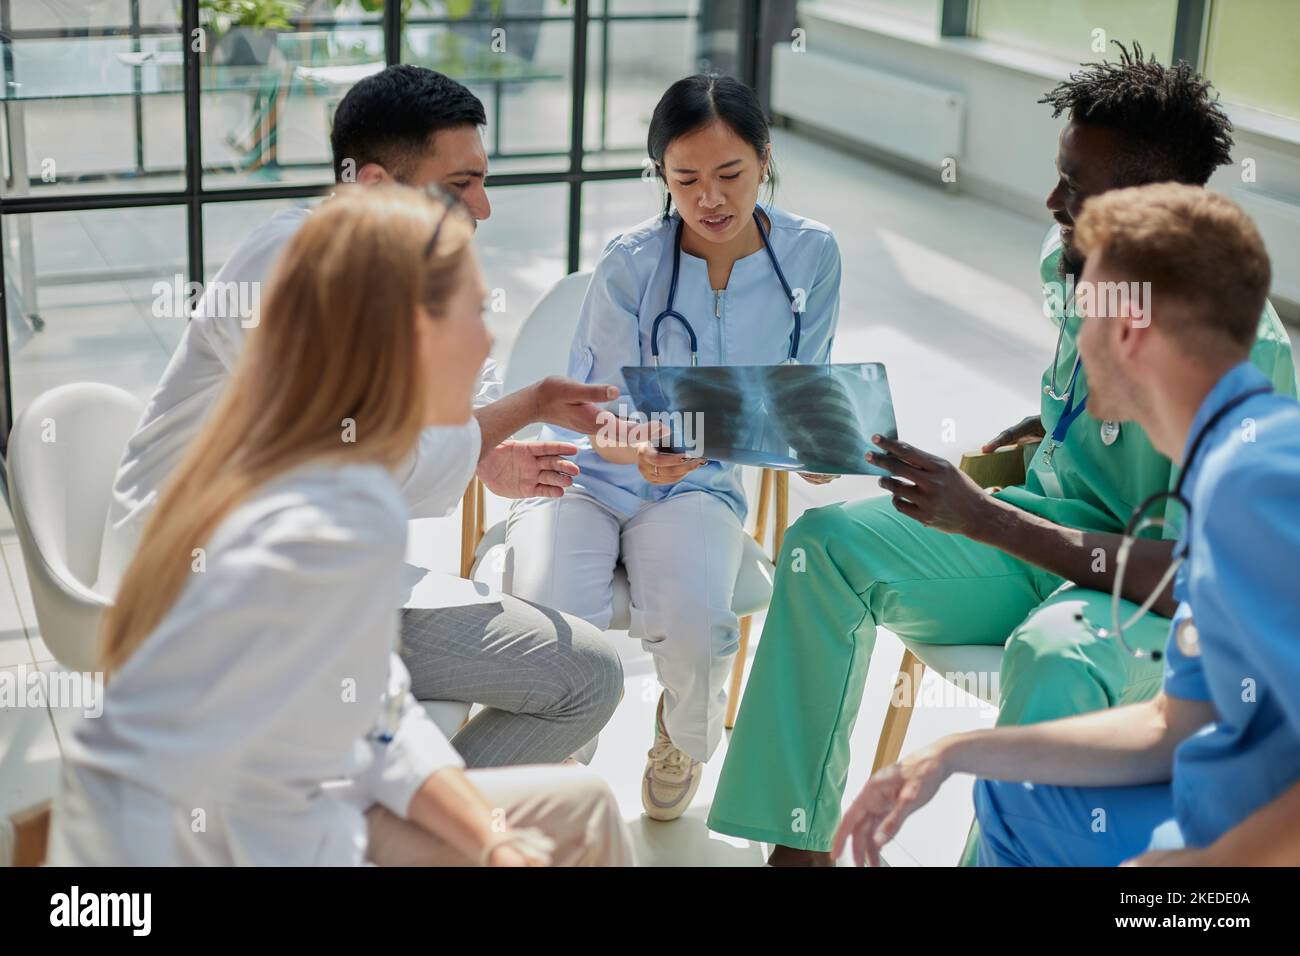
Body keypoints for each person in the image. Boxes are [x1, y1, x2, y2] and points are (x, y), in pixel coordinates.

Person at [708, 41, 1296, 864]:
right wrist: (1028, 440)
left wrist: (986, 519)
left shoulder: (1251, 367)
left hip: (1135, 596)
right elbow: (1089, 406)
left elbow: (1189, 579)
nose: (1053, 199)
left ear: (1147, 205)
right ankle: (796, 845)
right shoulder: (1075, 259)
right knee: (824, 545)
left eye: (1077, 189)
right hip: (1043, 525)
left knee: (1052, 656)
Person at [47, 186, 635, 867]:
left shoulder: (347, 495)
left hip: (308, 818)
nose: (489, 337)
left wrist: (491, 841)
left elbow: (376, 717)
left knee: (586, 805)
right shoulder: (299, 535)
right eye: (472, 312)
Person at [104, 65, 624, 769]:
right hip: (212, 597)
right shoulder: (289, 270)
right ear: (377, 185)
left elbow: (450, 405)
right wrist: (522, 410)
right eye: (459, 186)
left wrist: (490, 449)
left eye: (482, 180)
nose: (485, 208)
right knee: (581, 681)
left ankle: (411, 838)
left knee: (585, 675)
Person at [835, 184, 1300, 867]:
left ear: (1130, 330)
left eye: (1083, 315)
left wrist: (1201, 874)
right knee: (1011, 795)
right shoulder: (1218, 466)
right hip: (1210, 805)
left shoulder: (1256, 480)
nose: (1074, 341)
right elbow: (1175, 726)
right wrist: (950, 754)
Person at [504, 74, 842, 821]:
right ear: (661, 175)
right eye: (685, 179)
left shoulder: (812, 258)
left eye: (730, 175)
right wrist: (633, 452)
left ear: (765, 158)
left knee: (696, 620)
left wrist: (813, 448)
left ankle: (680, 735)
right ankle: (560, 765)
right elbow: (585, 411)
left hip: (698, 486)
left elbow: (802, 391)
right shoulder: (631, 263)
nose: (710, 199)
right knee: (553, 614)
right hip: (588, 476)